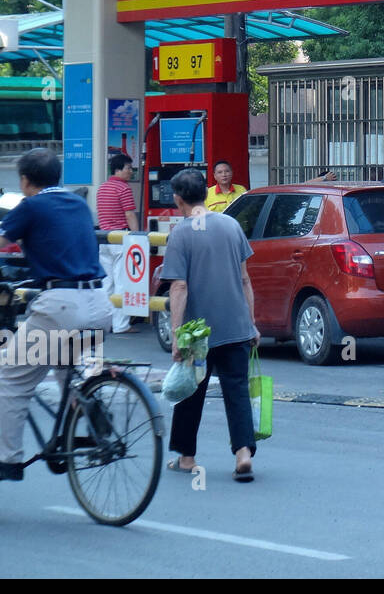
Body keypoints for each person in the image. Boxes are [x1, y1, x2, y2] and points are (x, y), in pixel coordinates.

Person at [0, 148, 113, 481]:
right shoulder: (78, 203)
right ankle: (93, 416)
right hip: (100, 303)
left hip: (62, 307)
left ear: (24, 180)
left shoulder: (30, 206)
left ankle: (7, 459)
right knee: (67, 369)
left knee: (10, 377)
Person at [160, 169, 260, 482]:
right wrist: (252, 323)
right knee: (237, 392)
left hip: (199, 333)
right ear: (205, 193)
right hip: (236, 326)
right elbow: (245, 279)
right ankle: (243, 453)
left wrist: (177, 337)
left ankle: (187, 458)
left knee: (191, 393)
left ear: (178, 199)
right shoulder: (231, 225)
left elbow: (178, 288)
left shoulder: (180, 234)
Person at [95, 153, 139, 334]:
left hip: (104, 239)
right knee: (122, 283)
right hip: (121, 239)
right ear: (118, 170)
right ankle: (121, 325)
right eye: (128, 168)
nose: (130, 172)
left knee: (107, 283)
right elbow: (129, 214)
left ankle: (103, 323)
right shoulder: (123, 188)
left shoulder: (102, 188)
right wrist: (138, 236)